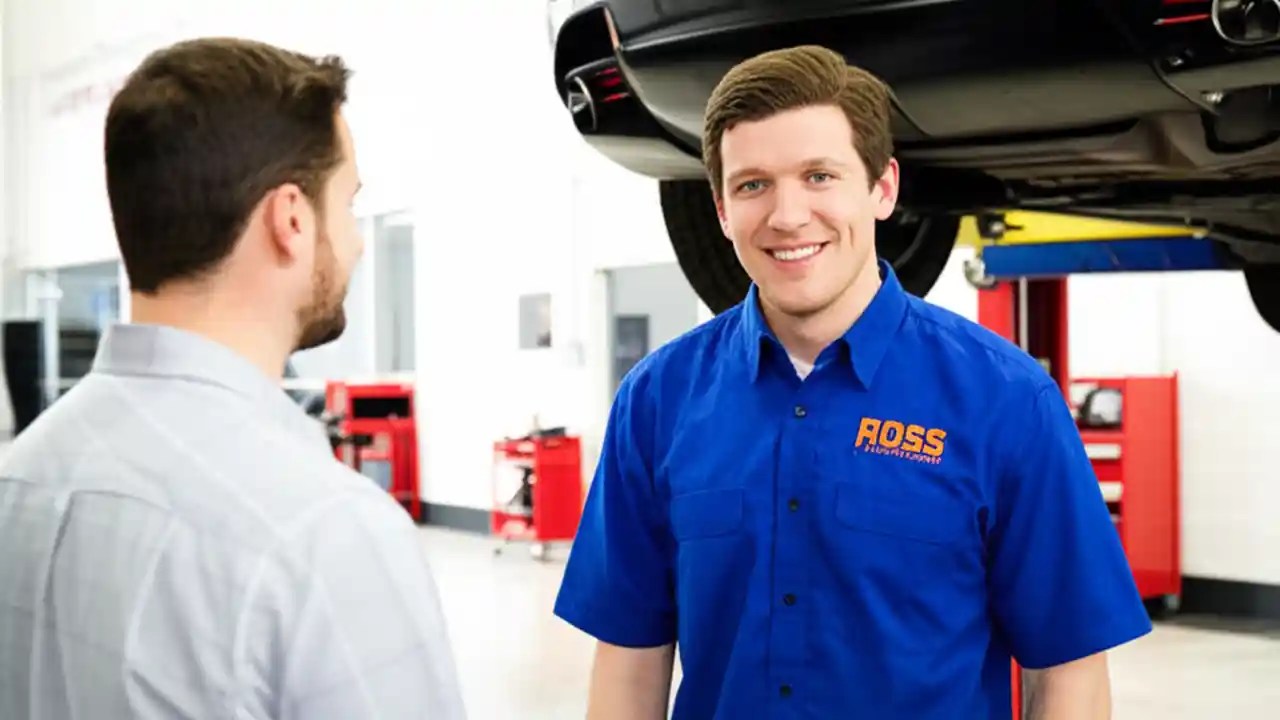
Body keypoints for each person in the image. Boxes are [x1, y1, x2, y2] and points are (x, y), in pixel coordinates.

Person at [554, 44, 1152, 719]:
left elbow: (1067, 671)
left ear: (882, 188)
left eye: (819, 176)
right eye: (753, 184)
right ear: (721, 209)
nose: (786, 216)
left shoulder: (1006, 402)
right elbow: (630, 662)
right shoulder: (657, 402)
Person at [0, 37, 465, 720]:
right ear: (292, 220)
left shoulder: (20, 481)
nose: (360, 239)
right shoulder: (327, 532)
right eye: (349, 203)